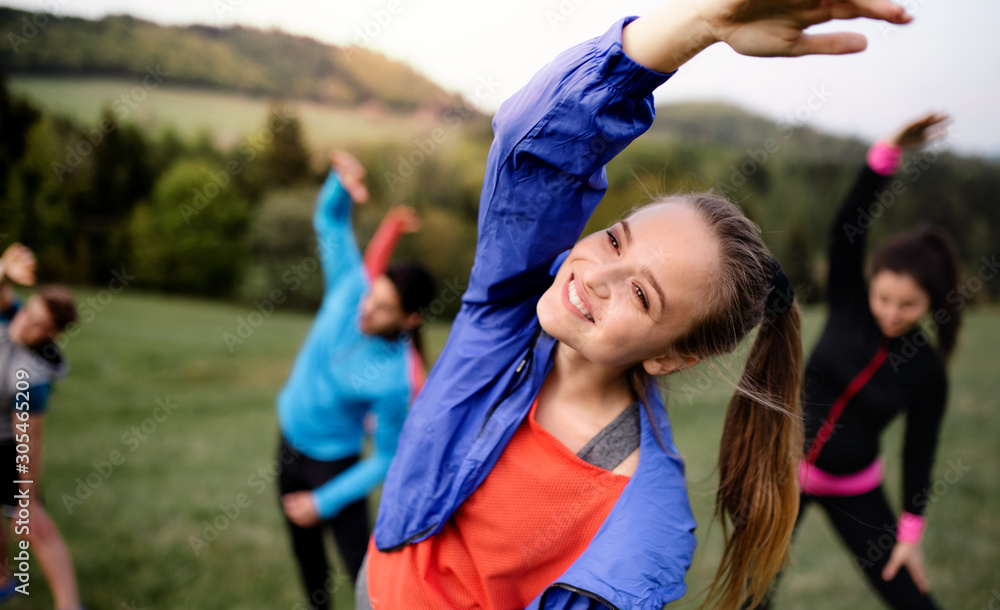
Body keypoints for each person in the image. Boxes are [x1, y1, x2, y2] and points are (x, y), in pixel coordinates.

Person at [357, 1, 913, 608]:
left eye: (643, 295)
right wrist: (700, 26)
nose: (598, 274)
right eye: (617, 239)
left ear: (673, 356)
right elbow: (536, 148)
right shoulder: (508, 311)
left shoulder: (637, 527)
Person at [758, 113, 960, 609]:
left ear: (929, 303)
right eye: (884, 298)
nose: (891, 313)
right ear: (871, 283)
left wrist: (910, 532)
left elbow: (919, 451)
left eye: (908, 305)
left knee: (912, 600)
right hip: (784, 473)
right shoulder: (851, 302)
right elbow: (847, 229)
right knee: (751, 595)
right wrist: (887, 153)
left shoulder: (926, 370)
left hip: (855, 489)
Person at [275, 150, 434, 610]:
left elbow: (386, 456)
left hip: (334, 465)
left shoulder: (395, 380)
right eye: (372, 296)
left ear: (409, 320)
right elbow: (329, 220)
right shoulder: (351, 288)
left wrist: (324, 501)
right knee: (307, 558)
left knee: (363, 569)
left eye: (383, 309)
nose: (367, 310)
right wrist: (340, 185)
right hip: (287, 443)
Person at [0, 243, 84, 610]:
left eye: (39, 326)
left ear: (52, 334)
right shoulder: (12, 315)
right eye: (28, 313)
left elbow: (28, 440)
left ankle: (69, 605)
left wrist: (28, 497)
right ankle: (3, 581)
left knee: (33, 524)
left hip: (8, 445)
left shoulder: (32, 376)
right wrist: (5, 270)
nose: (25, 325)